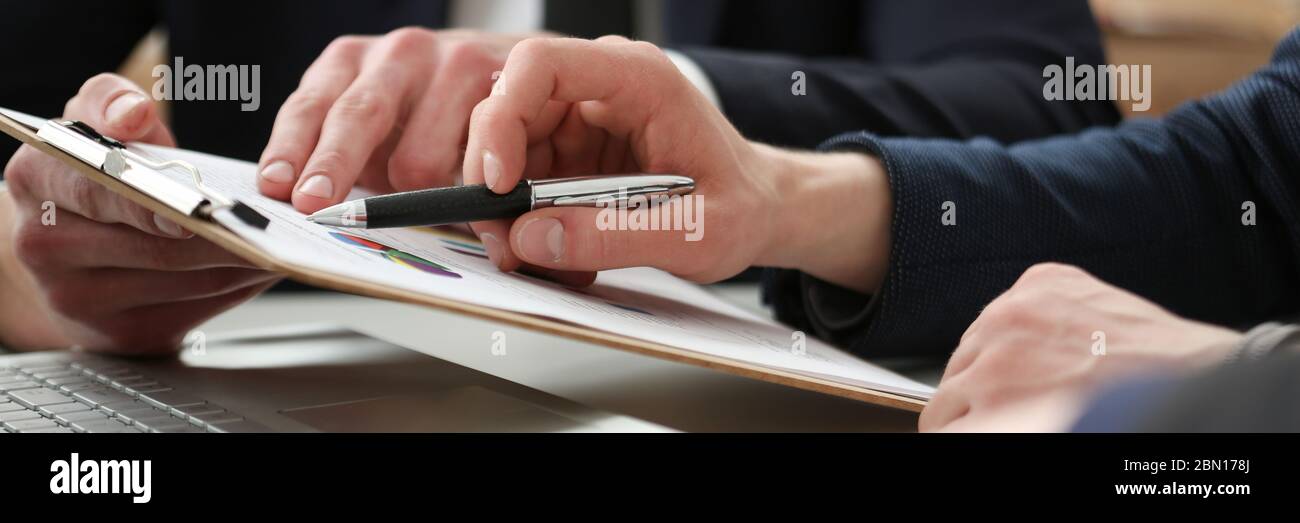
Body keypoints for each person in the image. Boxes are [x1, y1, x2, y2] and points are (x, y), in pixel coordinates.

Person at [0, 0, 1115, 353]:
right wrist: (40, 262)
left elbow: (1054, 104)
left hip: (742, 372)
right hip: (258, 369)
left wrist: (658, 101)